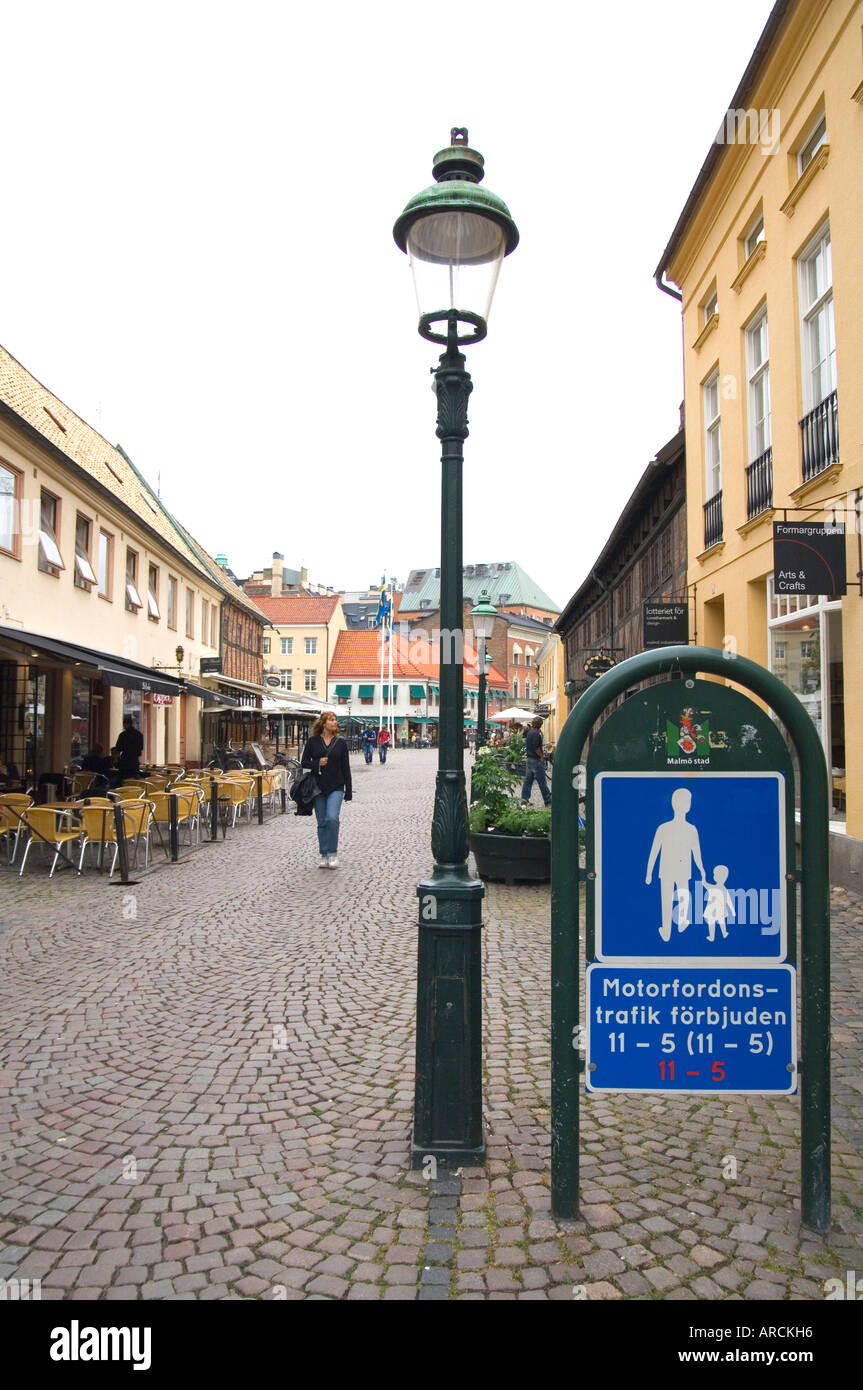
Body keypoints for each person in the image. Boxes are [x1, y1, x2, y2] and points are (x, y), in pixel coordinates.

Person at [645, 787, 706, 943]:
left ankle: (678, 924)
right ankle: (667, 929)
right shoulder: (664, 828)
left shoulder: (691, 829)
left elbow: (696, 853)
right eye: (686, 801)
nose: (688, 804)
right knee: (671, 898)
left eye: (688, 801)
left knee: (683, 896)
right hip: (668, 870)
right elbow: (654, 852)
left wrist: (702, 869)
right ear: (674, 804)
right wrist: (648, 872)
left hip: (680, 869)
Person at [301, 709, 352, 869]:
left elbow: (346, 767)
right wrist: (317, 763)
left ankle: (333, 853)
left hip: (336, 786)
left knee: (332, 819)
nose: (334, 722)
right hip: (318, 787)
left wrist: (348, 790)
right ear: (323, 723)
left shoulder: (341, 743)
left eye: (335, 720)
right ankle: (323, 855)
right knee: (322, 822)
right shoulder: (313, 742)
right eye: (331, 720)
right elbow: (303, 762)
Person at [521, 717, 551, 807]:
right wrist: (541, 756)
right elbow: (536, 747)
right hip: (536, 760)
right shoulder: (536, 734)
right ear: (540, 724)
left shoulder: (529, 732)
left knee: (528, 781)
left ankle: (524, 800)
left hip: (529, 759)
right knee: (542, 781)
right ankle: (548, 801)